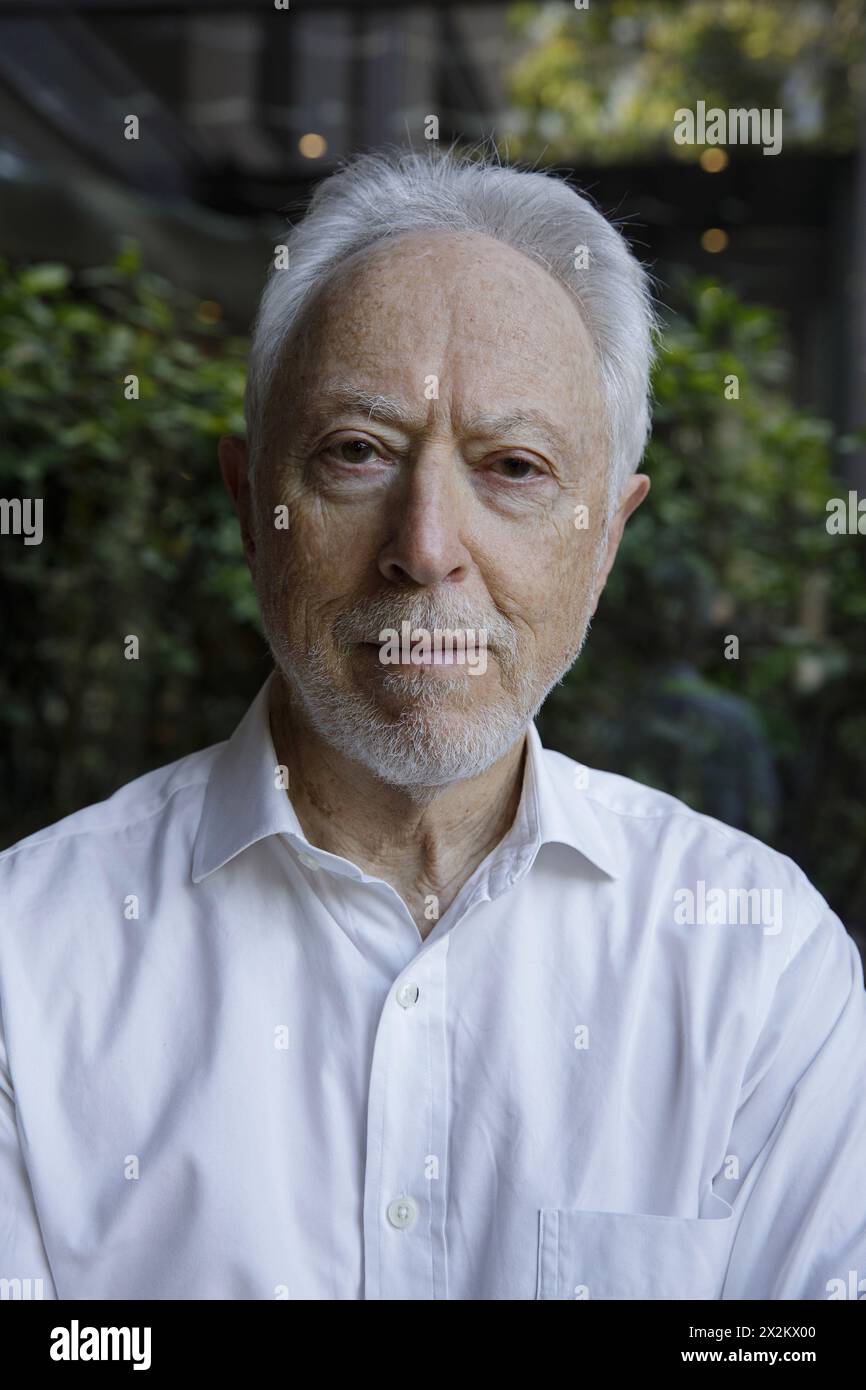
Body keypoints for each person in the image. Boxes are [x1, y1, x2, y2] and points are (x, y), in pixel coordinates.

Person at [1, 148, 864, 1302]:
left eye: (511, 467)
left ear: (605, 536)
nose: (424, 546)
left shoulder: (755, 966)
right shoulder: (27, 963)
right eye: (355, 452)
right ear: (249, 505)